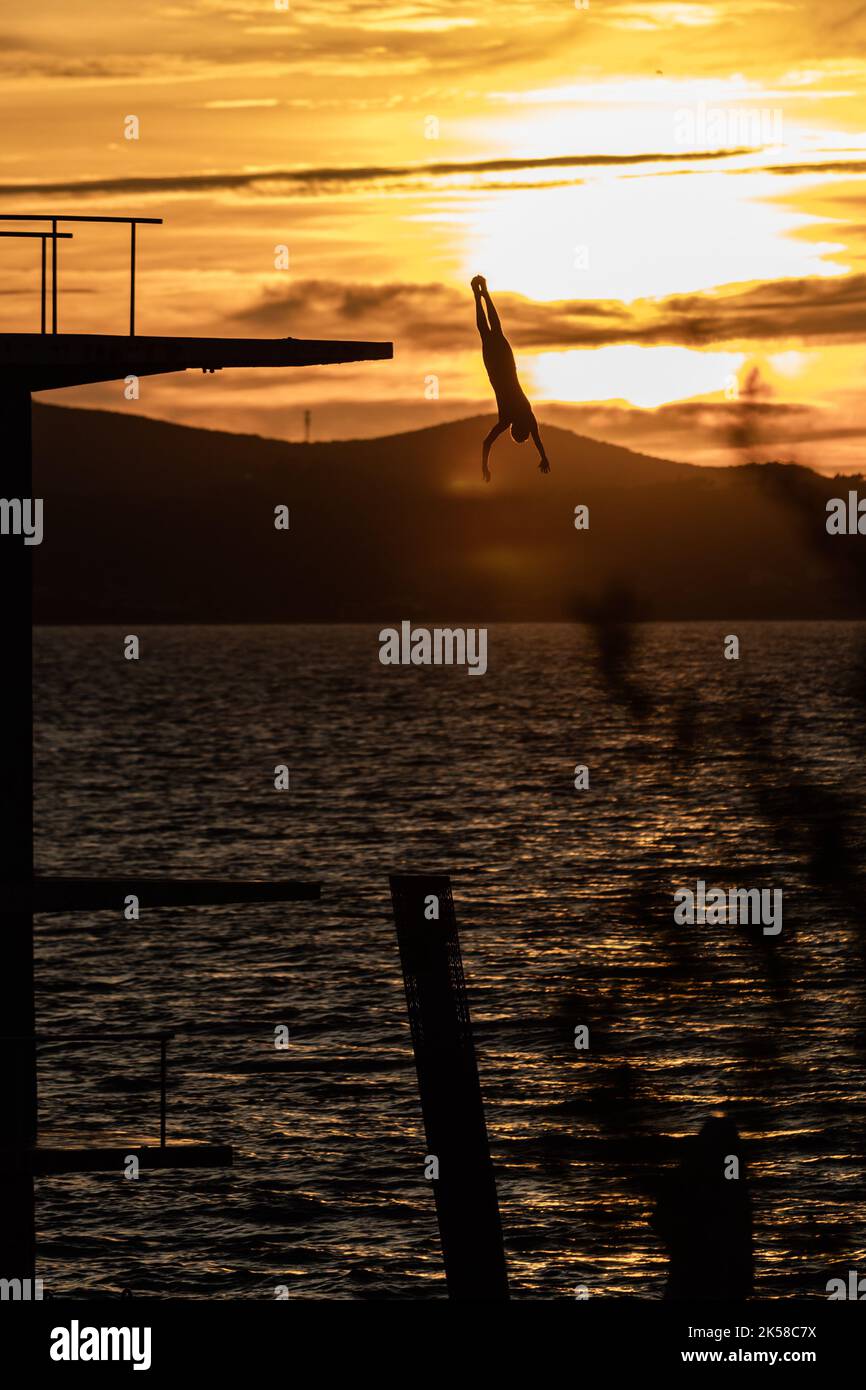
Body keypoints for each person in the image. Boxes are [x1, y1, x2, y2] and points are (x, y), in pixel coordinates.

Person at [651, 1115, 754, 1300]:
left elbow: (659, 1219)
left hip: (697, 1269)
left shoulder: (688, 1174)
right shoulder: (730, 1177)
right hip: (709, 1269)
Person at [471, 275, 550, 483]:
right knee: (488, 332)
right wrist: (484, 467)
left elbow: (536, 439)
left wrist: (543, 456)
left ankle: (483, 294)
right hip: (497, 368)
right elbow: (487, 443)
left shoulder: (524, 414)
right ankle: (479, 295)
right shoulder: (513, 416)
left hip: (504, 365)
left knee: (493, 331)